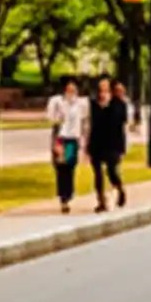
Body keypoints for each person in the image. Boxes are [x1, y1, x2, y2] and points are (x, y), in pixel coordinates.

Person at [47, 76, 88, 214]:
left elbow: (84, 120)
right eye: (69, 89)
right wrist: (58, 115)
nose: (71, 91)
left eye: (74, 89)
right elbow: (51, 118)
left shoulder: (81, 103)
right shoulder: (57, 101)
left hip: (72, 139)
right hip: (60, 138)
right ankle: (63, 198)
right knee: (60, 166)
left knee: (69, 166)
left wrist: (84, 139)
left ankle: (68, 193)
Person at [87, 77, 129, 212]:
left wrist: (122, 147)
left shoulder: (119, 104)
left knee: (112, 171)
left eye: (106, 89)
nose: (103, 93)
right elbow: (90, 123)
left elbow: (121, 124)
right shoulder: (93, 104)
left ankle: (120, 188)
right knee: (97, 173)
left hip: (112, 144)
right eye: (101, 90)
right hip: (96, 143)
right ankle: (101, 201)